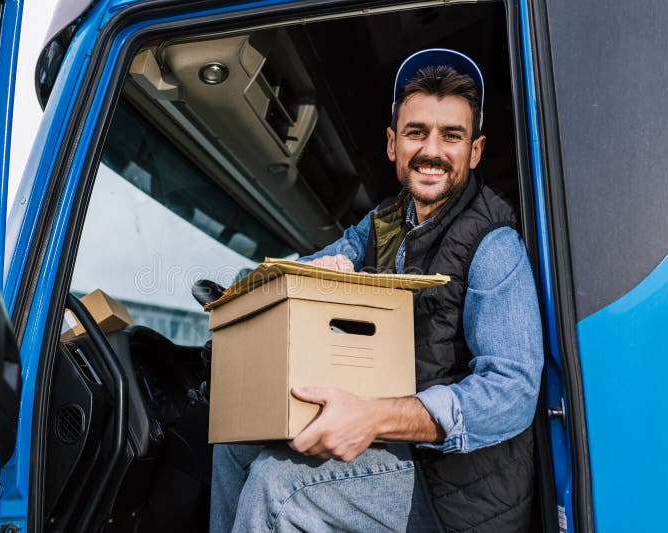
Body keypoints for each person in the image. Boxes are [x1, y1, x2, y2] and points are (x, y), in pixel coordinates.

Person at [210, 48, 544, 533]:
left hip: (456, 489)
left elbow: (512, 390)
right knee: (234, 442)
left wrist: (375, 418)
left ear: (474, 150)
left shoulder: (495, 245)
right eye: (416, 133)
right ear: (392, 144)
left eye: (451, 136)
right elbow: (299, 268)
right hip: (400, 452)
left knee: (278, 485)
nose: (432, 150)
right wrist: (306, 274)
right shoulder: (384, 223)